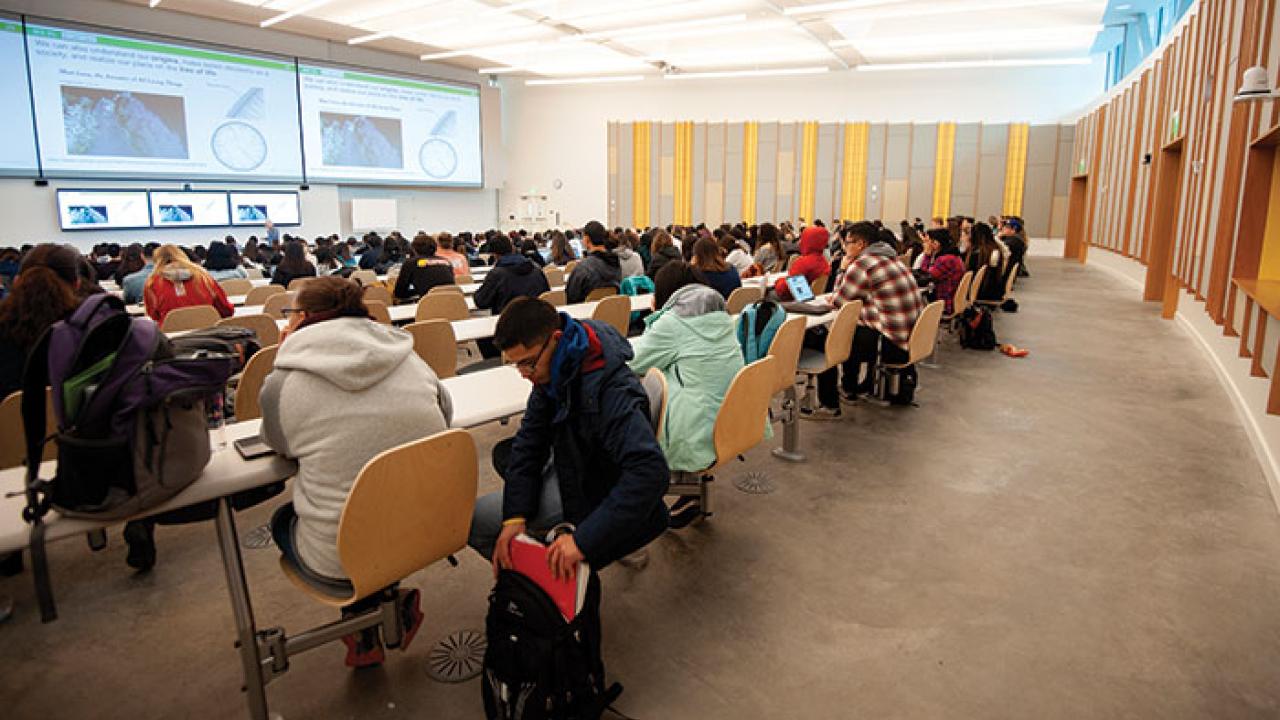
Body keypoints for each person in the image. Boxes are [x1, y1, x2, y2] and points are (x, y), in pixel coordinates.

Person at [260, 276, 452, 668]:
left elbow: (279, 445)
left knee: (291, 518)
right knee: (376, 502)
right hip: (425, 532)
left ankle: (364, 624)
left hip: (340, 559)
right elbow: (444, 416)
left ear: (305, 317)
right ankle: (386, 604)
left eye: (290, 314)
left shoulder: (284, 382)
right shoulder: (408, 356)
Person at [468, 297, 669, 580]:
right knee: (507, 453)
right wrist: (515, 516)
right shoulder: (560, 363)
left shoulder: (611, 390)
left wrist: (583, 540)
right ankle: (548, 567)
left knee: (475, 522)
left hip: (595, 485)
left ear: (556, 339)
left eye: (527, 364)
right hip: (577, 456)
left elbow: (651, 473)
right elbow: (530, 440)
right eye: (517, 367)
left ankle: (554, 583)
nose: (525, 376)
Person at [629, 261, 742, 488]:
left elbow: (634, 363)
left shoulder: (671, 324)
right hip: (733, 418)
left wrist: (656, 318)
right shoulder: (722, 316)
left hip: (696, 430)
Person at [801, 222, 925, 420]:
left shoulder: (862, 264)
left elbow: (840, 300)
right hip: (908, 335)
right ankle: (853, 387)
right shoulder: (893, 259)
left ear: (860, 244)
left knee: (830, 339)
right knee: (854, 326)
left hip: (889, 341)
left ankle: (834, 400)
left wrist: (842, 270)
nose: (844, 247)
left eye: (847, 243)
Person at [143, 245, 233, 325]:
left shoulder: (152, 283)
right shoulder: (203, 277)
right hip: (209, 335)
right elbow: (226, 310)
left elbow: (153, 316)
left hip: (172, 338)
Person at [564, 220, 621, 304]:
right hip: (609, 314)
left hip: (584, 314)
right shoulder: (615, 263)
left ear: (587, 239)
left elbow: (570, 297)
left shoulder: (583, 268)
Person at [773, 226, 831, 301]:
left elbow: (785, 289)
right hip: (812, 302)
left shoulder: (803, 263)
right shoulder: (824, 261)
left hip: (793, 301)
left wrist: (778, 281)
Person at [917, 229, 965, 315]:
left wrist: (927, 255)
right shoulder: (954, 256)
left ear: (936, 243)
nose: (924, 244)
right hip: (950, 298)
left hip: (944, 302)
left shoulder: (945, 260)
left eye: (927, 241)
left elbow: (924, 278)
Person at [393, 233, 455, 301]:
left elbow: (399, 293)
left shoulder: (410, 263)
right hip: (452, 303)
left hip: (428, 304)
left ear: (414, 249)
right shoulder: (446, 262)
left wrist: (418, 291)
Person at [967, 222, 1007, 301]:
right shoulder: (994, 249)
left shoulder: (976, 253)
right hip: (993, 290)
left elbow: (969, 273)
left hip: (982, 292)